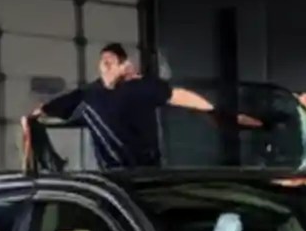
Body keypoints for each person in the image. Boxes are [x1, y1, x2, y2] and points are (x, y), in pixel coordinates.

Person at [26, 43, 252, 170]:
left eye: (111, 62)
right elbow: (52, 110)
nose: (105, 67)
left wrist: (212, 111)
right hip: (114, 177)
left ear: (124, 65)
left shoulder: (142, 87)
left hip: (146, 172)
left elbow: (178, 95)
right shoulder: (89, 95)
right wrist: (35, 117)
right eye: (103, 63)